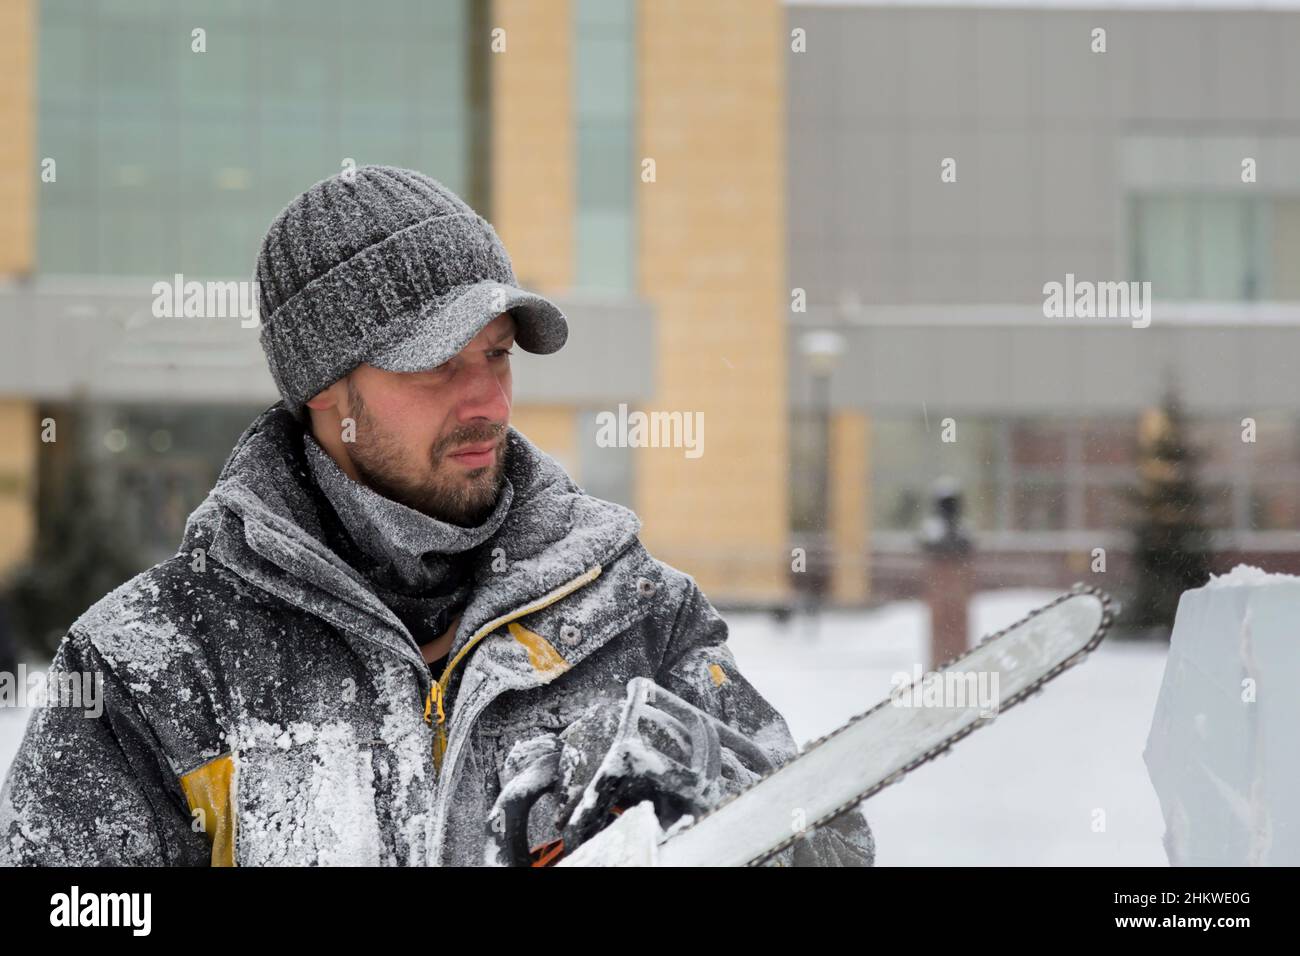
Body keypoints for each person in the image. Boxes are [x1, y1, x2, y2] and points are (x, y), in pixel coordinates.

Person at [0, 166, 875, 867]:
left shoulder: (640, 617)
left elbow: (833, 848)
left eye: (496, 356)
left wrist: (711, 795)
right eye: (434, 367)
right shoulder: (153, 665)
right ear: (324, 390)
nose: (488, 400)